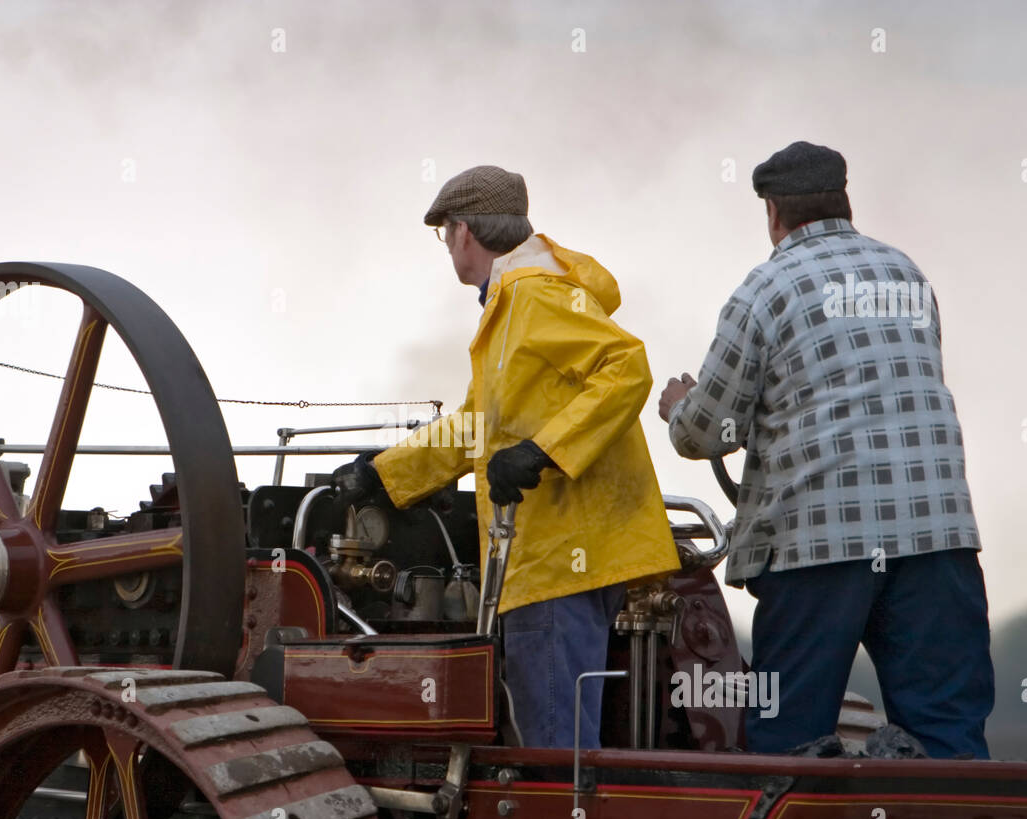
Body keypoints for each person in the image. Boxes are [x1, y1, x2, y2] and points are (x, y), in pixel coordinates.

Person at [658, 141, 993, 758]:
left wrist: (681, 402)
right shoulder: (907, 274)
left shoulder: (766, 288)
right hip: (936, 537)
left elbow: (705, 434)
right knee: (949, 735)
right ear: (843, 198)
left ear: (773, 213)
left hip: (819, 545)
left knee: (790, 739)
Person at [333, 164, 680, 748]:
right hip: (573, 551)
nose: (447, 249)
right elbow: (477, 429)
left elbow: (627, 370)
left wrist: (541, 452)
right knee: (562, 738)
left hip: (554, 558)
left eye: (444, 234)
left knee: (554, 749)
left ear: (463, 231)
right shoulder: (512, 306)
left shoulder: (532, 298)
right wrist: (382, 476)